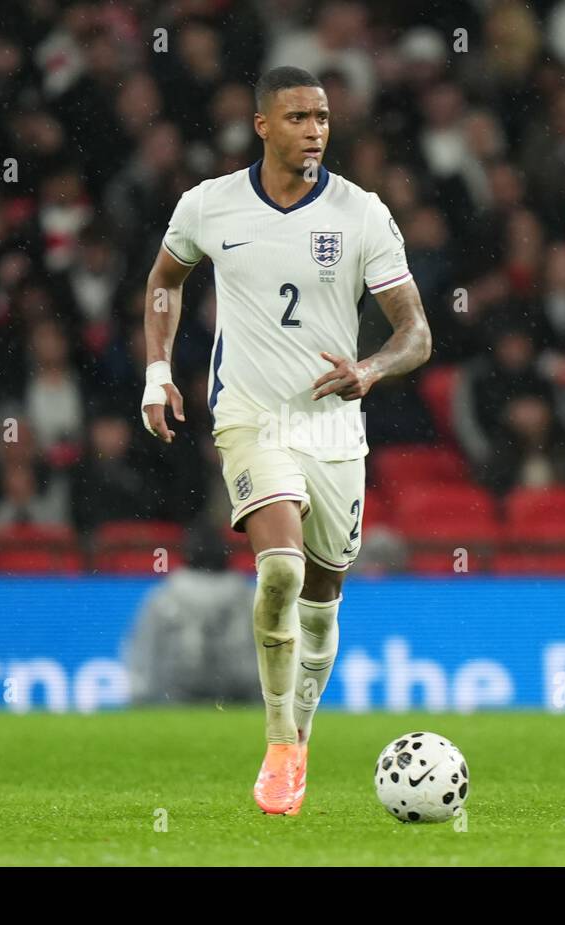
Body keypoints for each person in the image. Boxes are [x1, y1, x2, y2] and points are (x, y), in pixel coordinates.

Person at [139, 67, 432, 816]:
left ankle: (300, 734)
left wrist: (370, 368)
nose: (315, 129)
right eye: (299, 116)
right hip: (250, 418)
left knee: (324, 598)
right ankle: (276, 742)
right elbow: (166, 279)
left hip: (334, 428)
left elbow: (416, 333)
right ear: (263, 125)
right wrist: (156, 370)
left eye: (324, 117)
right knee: (279, 571)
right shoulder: (210, 204)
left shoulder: (362, 213)